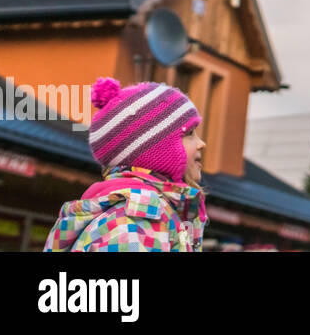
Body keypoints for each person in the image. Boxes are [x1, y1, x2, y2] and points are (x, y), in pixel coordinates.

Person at [45, 77, 208, 252]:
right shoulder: (137, 222)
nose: (201, 143)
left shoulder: (146, 215)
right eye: (189, 133)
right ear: (153, 146)